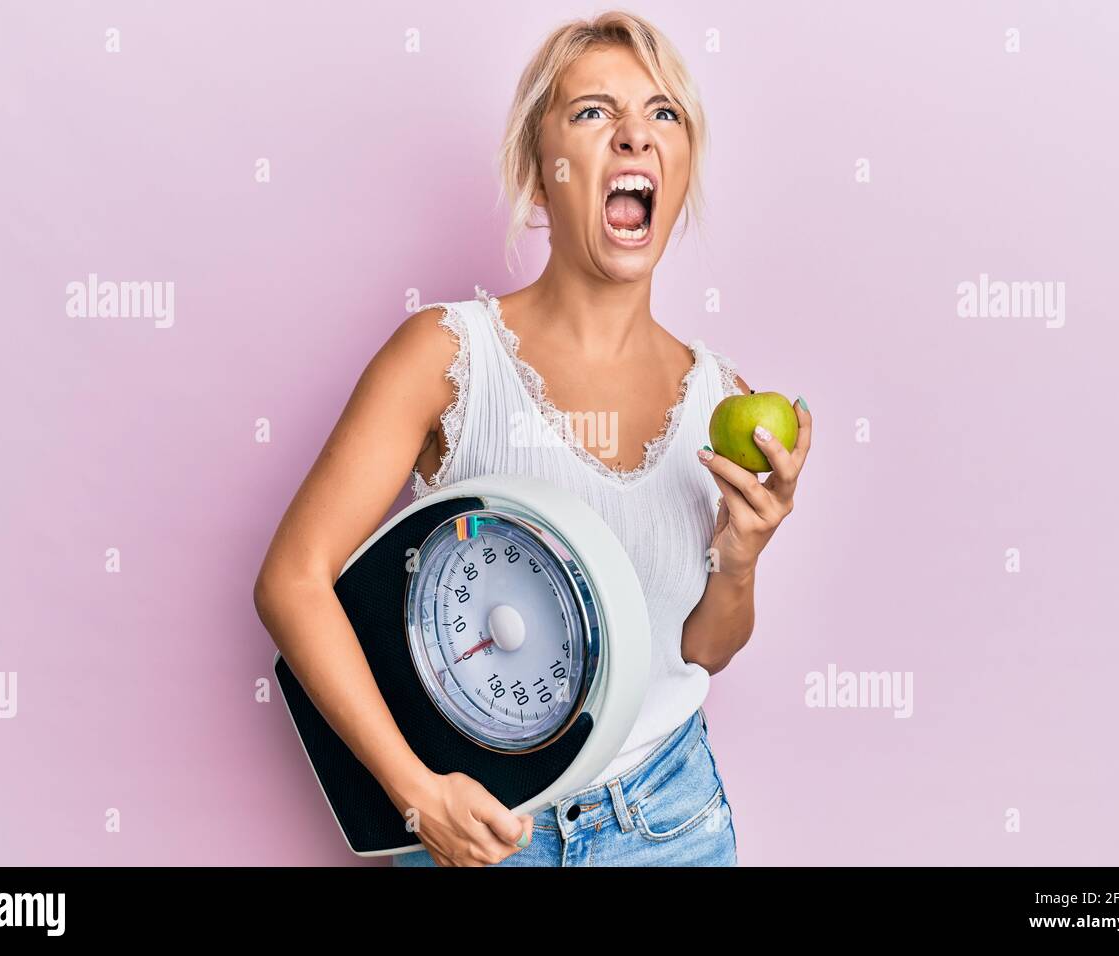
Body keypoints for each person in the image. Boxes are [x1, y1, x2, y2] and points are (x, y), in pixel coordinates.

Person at [253, 10, 812, 867]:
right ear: (540, 174)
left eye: (663, 115)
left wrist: (742, 559)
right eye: (593, 113)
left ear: (684, 161)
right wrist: (414, 791)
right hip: (477, 830)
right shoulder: (445, 356)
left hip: (670, 824)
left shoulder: (721, 400)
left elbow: (701, 650)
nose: (634, 136)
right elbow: (292, 581)